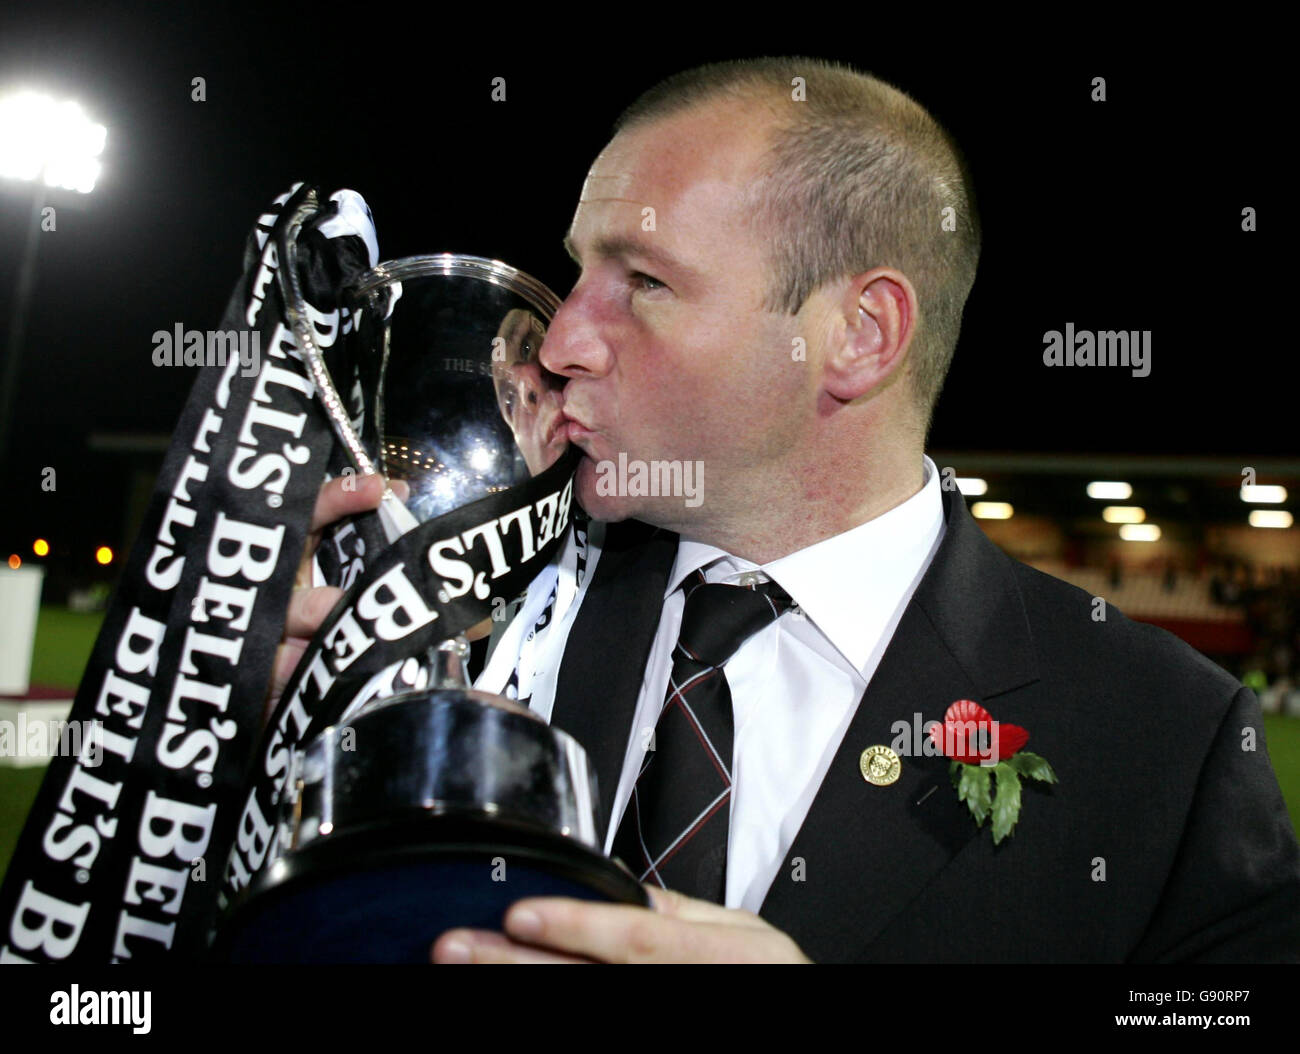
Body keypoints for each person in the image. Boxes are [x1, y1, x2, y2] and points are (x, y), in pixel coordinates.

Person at [278, 57, 1300, 963]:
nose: (560, 338)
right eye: (581, 267)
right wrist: (254, 765)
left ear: (858, 335)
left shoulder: (1166, 743)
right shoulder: (470, 610)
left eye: (640, 280)